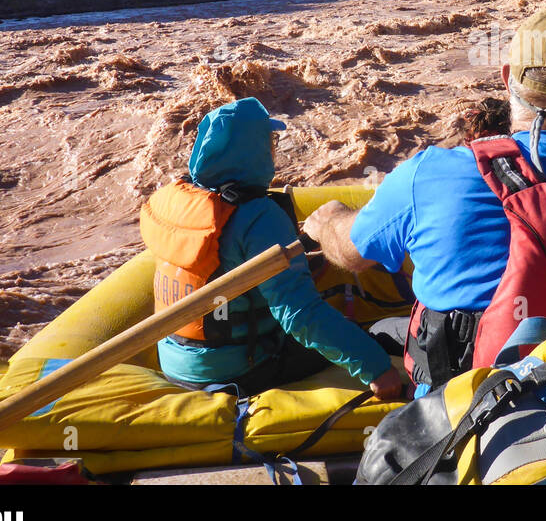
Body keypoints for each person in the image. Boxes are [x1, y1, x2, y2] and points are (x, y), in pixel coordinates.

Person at [305, 8, 546, 395]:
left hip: (465, 423)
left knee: (381, 331)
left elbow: (352, 255)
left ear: (507, 77)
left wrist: (328, 222)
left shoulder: (430, 174)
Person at [144, 97, 404, 399]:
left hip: (176, 365)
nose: (274, 148)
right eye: (271, 140)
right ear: (253, 149)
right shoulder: (259, 218)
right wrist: (377, 369)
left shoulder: (180, 200)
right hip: (239, 371)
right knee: (365, 333)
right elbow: (301, 316)